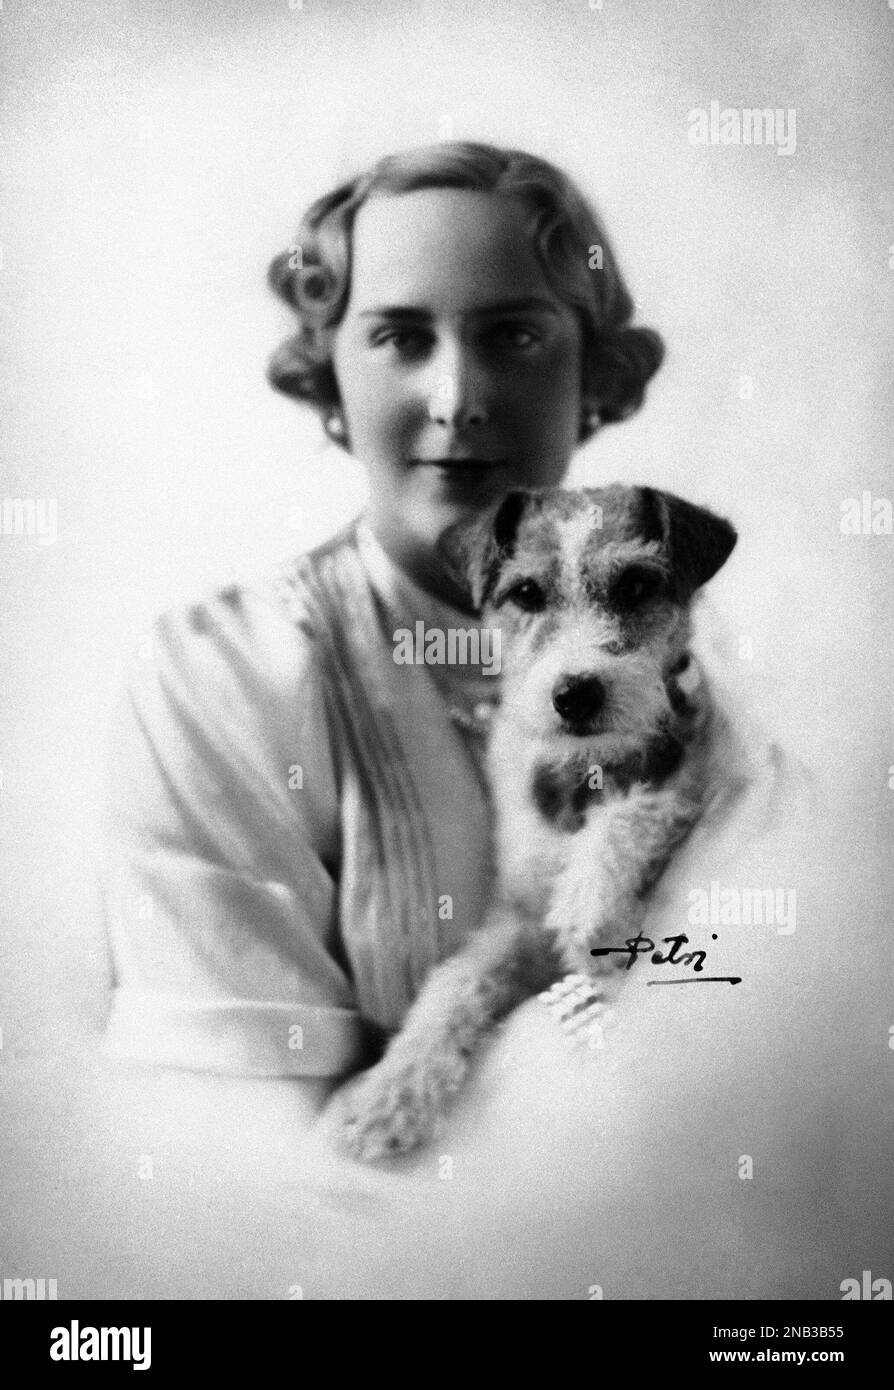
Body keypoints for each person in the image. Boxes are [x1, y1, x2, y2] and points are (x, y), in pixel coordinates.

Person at [95, 142, 883, 1298]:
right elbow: (228, 1155)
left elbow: (788, 1037)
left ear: (595, 368)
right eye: (398, 334)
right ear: (328, 372)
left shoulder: (764, 721)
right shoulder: (214, 674)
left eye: (514, 332)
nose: (458, 398)